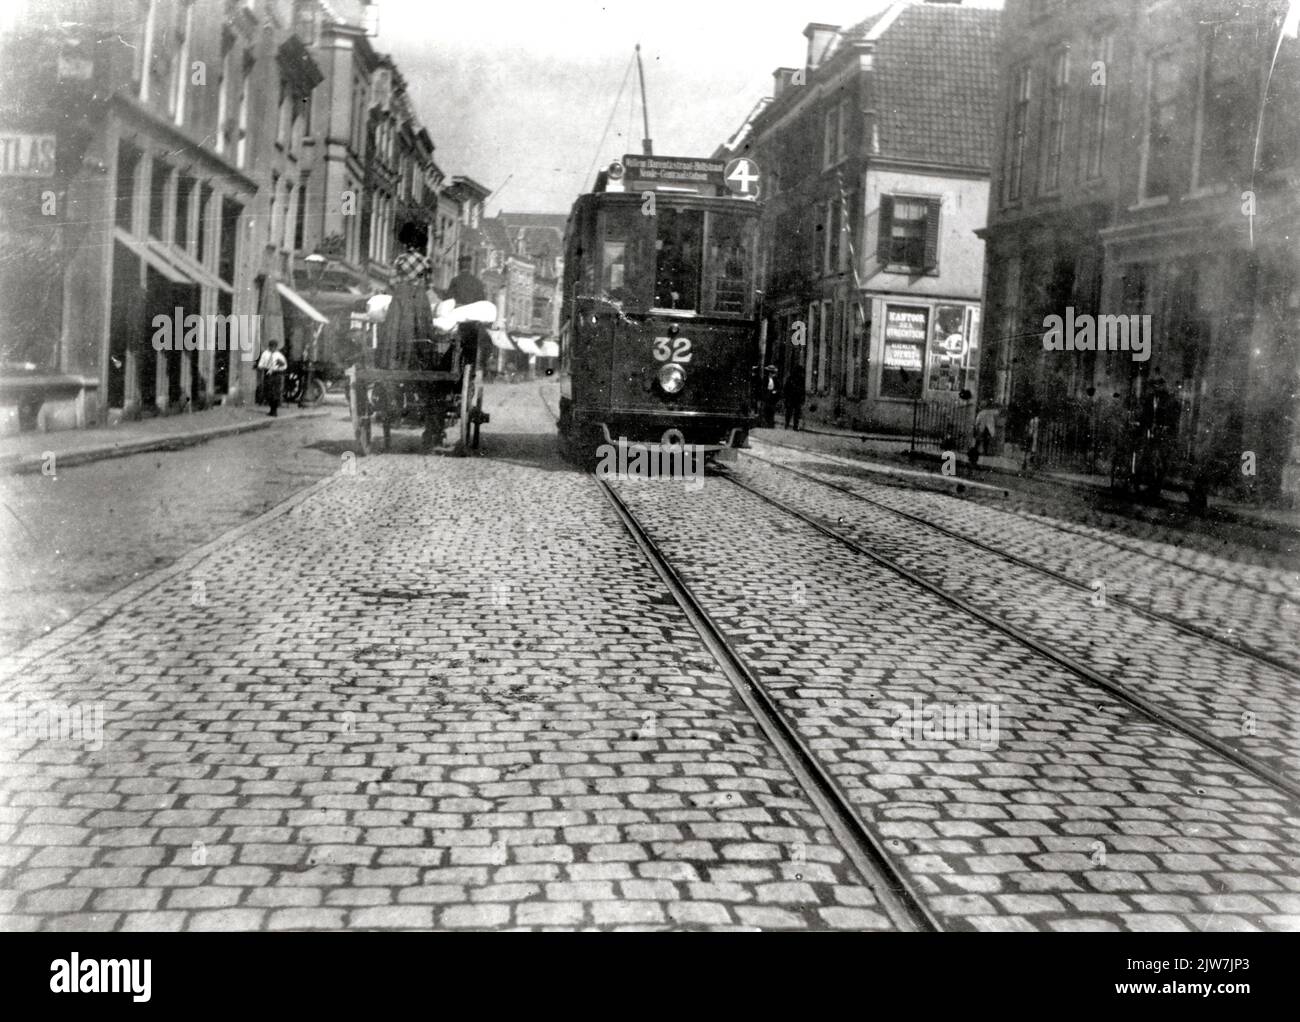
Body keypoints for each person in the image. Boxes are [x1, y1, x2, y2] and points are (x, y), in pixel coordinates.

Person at [447, 256, 487, 372]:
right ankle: (469, 373)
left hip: (457, 321)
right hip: (472, 323)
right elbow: (482, 303)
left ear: (460, 266)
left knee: (455, 347)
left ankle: (454, 370)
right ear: (470, 266)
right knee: (471, 351)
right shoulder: (477, 283)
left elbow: (448, 300)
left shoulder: (455, 281)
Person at [256, 341, 288, 416]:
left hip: (276, 374)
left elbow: (284, 366)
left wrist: (278, 367)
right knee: (269, 392)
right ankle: (271, 409)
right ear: (269, 346)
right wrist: (263, 367)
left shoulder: (279, 355)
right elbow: (261, 364)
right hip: (268, 374)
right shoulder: (265, 354)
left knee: (275, 392)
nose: (273, 348)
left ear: (276, 347)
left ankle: (274, 410)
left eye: (274, 347)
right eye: (271, 346)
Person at [783, 362, 805, 430]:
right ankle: (788, 424)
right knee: (791, 412)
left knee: (795, 412)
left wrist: (802, 398)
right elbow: (786, 389)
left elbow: (802, 390)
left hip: (796, 398)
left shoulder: (800, 379)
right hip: (791, 398)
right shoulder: (791, 379)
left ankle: (793, 425)